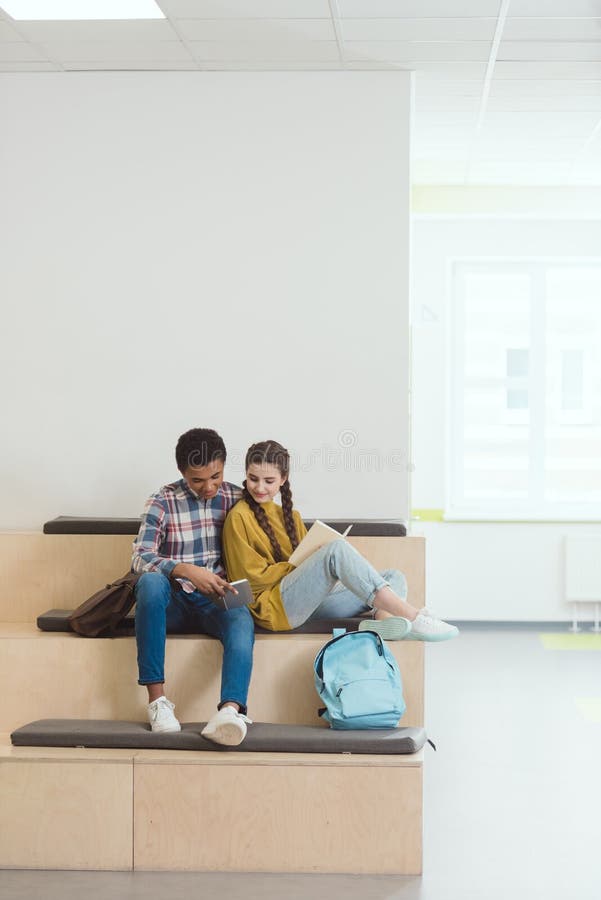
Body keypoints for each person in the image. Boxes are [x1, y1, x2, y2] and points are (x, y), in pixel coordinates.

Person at [223, 440, 459, 641]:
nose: (259, 487)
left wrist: (313, 563)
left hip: (307, 602)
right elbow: (249, 582)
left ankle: (382, 622)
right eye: (253, 479)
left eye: (268, 481)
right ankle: (415, 617)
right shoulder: (238, 517)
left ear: (283, 479)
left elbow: (303, 566)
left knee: (393, 577)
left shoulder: (290, 516)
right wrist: (307, 564)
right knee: (335, 550)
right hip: (273, 608)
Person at [132, 427, 255, 745]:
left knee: (241, 617)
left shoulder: (237, 498)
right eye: (197, 480)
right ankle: (158, 703)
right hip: (172, 600)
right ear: (181, 472)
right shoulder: (163, 500)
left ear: (224, 466)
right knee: (150, 583)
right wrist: (186, 570)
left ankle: (230, 711)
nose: (209, 487)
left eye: (216, 476)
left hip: (215, 601)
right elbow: (140, 557)